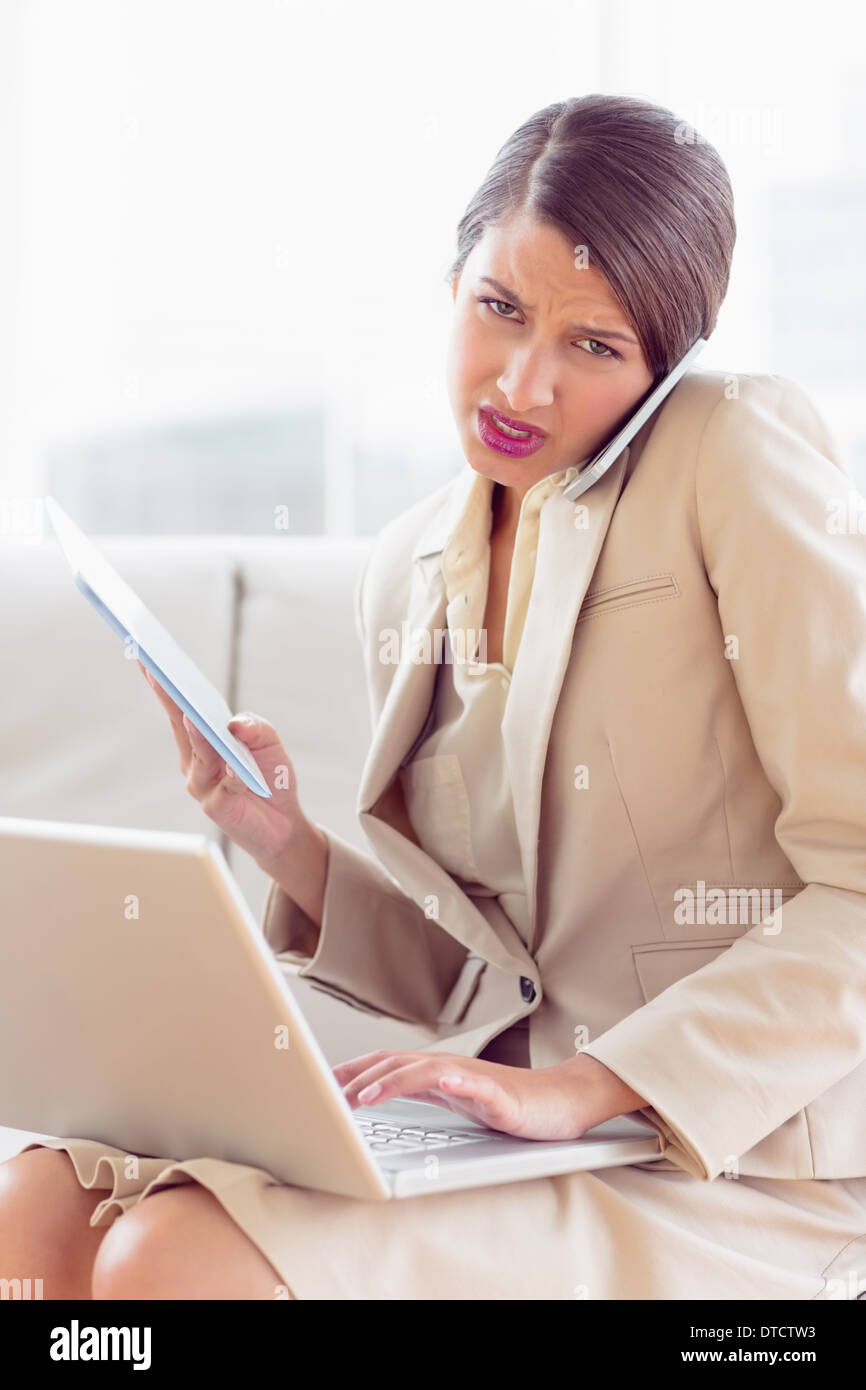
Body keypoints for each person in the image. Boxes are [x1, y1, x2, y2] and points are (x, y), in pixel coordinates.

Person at [3, 92, 866, 1301]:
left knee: (171, 1261)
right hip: (515, 1127)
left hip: (734, 1158)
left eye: (593, 345)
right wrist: (285, 843)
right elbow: (487, 972)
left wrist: (587, 1084)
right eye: (498, 308)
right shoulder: (414, 558)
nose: (520, 381)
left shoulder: (729, 454)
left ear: (665, 365)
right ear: (452, 279)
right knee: (45, 1197)